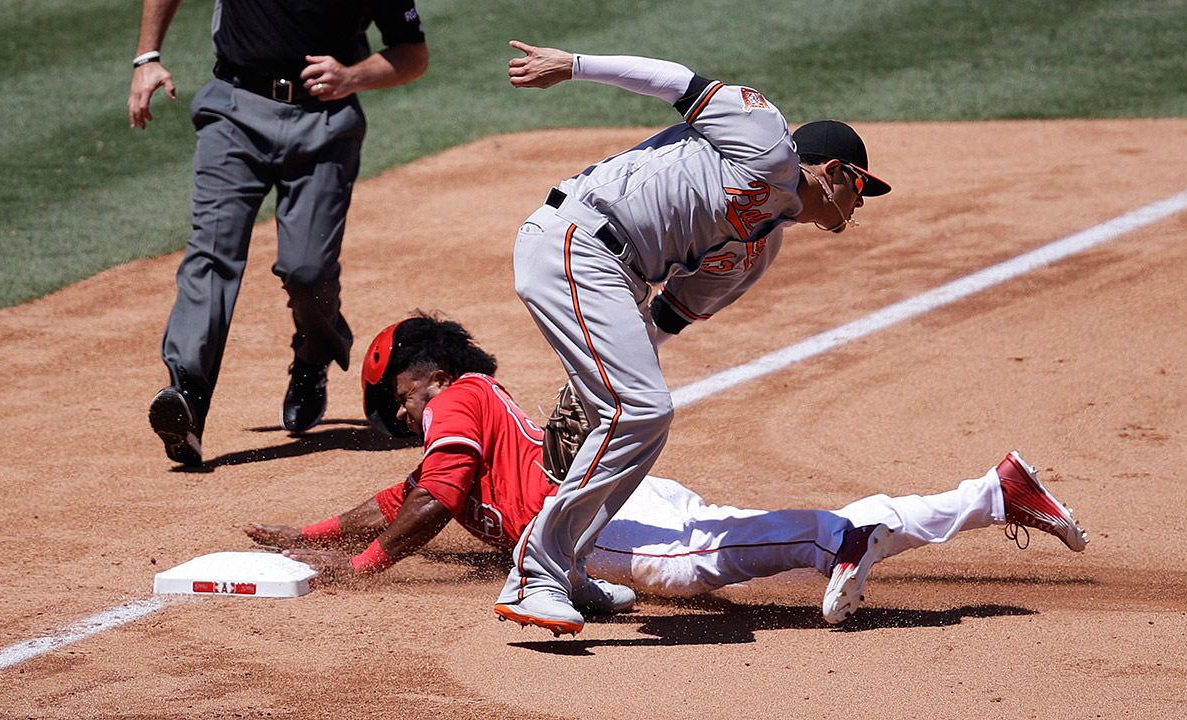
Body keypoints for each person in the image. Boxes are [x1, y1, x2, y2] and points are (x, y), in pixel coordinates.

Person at [243, 315, 1088, 635]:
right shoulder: (471, 405)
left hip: (605, 525)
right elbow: (399, 500)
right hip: (610, 515)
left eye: (393, 399)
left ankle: (847, 538)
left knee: (710, 564)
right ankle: (992, 493)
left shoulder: (449, 401)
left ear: (405, 380)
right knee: (737, 541)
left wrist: (359, 571)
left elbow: (431, 502)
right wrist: (308, 536)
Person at [494, 41, 893, 630]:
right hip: (575, 240)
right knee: (643, 409)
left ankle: (567, 564)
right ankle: (535, 575)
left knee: (644, 420)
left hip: (617, 279)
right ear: (833, 171)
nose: (858, 205)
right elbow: (674, 81)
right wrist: (571, 66)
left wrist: (595, 383)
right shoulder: (763, 135)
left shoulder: (758, 247)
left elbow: (667, 318)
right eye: (859, 188)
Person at [127, 0, 429, 467]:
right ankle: (188, 397)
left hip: (325, 123)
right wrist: (147, 58)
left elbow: (412, 54)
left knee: (307, 270)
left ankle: (313, 356)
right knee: (212, 254)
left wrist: (352, 77)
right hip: (234, 110)